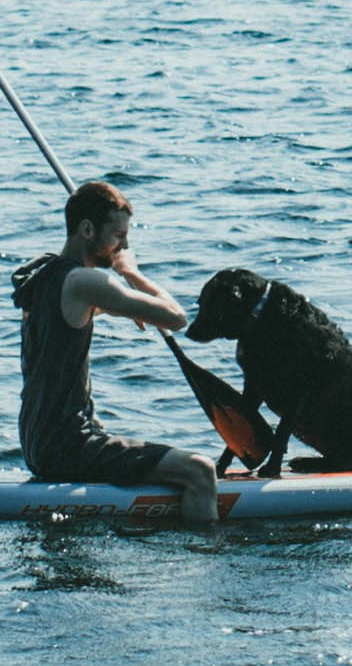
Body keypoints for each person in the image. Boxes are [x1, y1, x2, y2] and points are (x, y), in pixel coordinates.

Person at [12, 177, 219, 527]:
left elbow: (80, 313)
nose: (123, 246)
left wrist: (122, 305)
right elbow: (177, 317)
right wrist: (131, 273)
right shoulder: (86, 281)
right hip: (67, 443)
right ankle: (205, 556)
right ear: (88, 230)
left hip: (36, 439)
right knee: (201, 471)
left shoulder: (44, 277)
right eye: (119, 236)